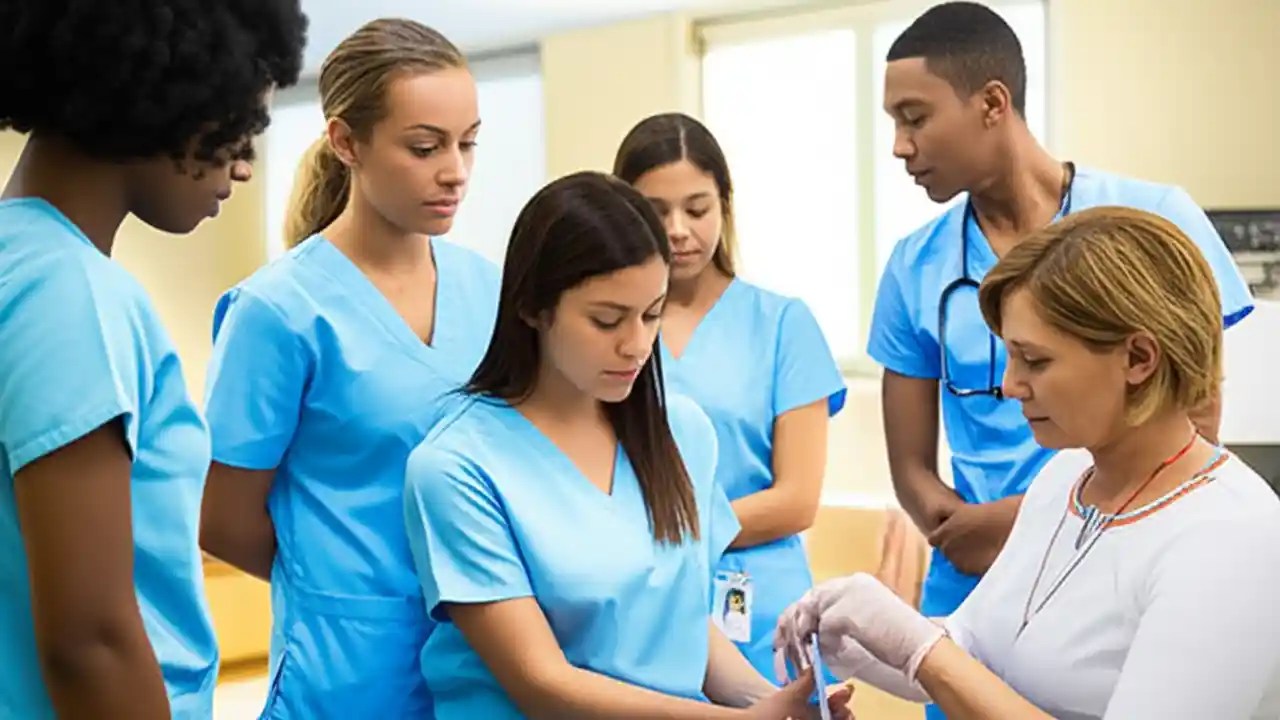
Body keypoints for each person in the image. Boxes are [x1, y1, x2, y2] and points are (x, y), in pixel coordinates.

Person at [866, 2, 1254, 698]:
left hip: (1117, 536)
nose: (899, 146)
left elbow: (1194, 419)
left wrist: (1030, 525)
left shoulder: (1152, 222)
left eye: (915, 117)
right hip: (972, 563)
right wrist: (964, 535)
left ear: (992, 103)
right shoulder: (913, 265)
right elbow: (909, 464)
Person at [777, 207, 1280, 719]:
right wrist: (865, 640)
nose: (1011, 385)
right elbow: (976, 644)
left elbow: (947, 664)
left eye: (1034, 360)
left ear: (1138, 359)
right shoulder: (1067, 478)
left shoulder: (1230, 535)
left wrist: (921, 653)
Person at [403, 171, 853, 720]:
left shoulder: (682, 431)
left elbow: (684, 622)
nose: (636, 345)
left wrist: (779, 706)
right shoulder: (455, 467)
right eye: (606, 320)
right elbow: (541, 684)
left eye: (651, 314)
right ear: (532, 308)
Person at [0, 1, 306, 718]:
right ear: (165, 89)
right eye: (238, 123)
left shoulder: (17, 260)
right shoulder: (65, 292)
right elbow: (90, 640)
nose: (243, 163)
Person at [199, 19, 499, 718]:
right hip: (344, 673)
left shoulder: (493, 290)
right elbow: (222, 519)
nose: (455, 170)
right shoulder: (278, 311)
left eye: (468, 143)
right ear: (345, 142)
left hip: (485, 659)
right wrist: (339, 584)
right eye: (425, 147)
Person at [613, 112, 846, 677]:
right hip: (641, 599)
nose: (677, 231)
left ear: (725, 205)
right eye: (655, 211)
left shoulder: (781, 324)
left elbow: (796, 500)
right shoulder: (609, 329)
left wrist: (663, 532)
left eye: (697, 209)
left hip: (764, 606)